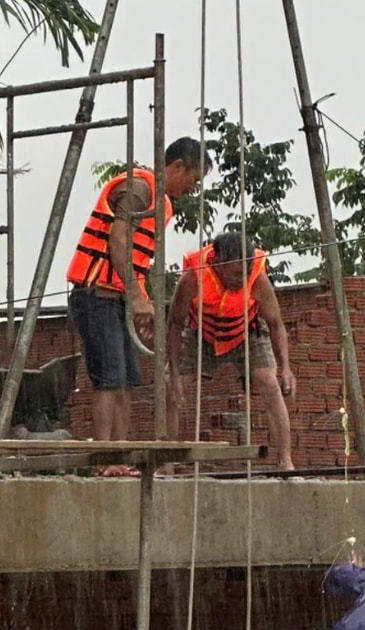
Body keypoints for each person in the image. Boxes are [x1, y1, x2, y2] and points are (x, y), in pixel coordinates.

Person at [65, 137, 211, 477]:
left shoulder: (158, 200)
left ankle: (120, 456)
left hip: (116, 296)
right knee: (109, 379)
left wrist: (137, 300)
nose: (193, 188)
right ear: (178, 167)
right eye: (194, 179)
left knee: (127, 378)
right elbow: (119, 240)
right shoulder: (139, 190)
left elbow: (136, 259)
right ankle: (105, 459)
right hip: (96, 293)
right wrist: (136, 296)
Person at [165, 232, 295, 470]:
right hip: (201, 333)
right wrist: (173, 373)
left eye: (246, 272)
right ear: (217, 264)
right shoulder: (193, 279)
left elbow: (276, 324)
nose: (242, 279)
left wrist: (285, 367)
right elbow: (174, 323)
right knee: (172, 388)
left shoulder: (257, 280)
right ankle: (166, 463)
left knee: (269, 381)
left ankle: (286, 461)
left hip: (245, 330)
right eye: (236, 273)